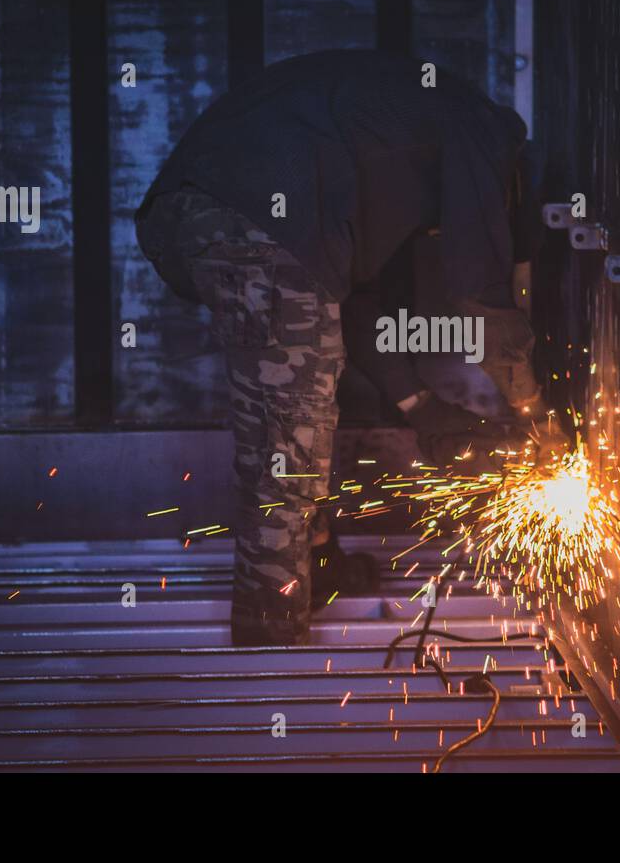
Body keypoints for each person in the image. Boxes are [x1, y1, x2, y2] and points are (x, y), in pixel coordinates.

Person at [135, 50, 567, 646]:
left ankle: (314, 561)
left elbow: (354, 308)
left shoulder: (388, 147)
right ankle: (269, 627)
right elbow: (482, 290)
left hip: (199, 214)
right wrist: (536, 415)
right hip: (250, 217)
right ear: (517, 191)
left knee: (301, 402)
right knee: (290, 427)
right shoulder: (483, 132)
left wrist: (420, 407)